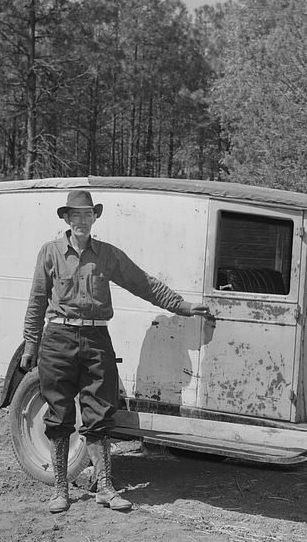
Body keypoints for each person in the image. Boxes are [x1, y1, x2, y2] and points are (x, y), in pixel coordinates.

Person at [20, 190, 211, 515]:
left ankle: (106, 488)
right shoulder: (50, 252)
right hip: (59, 339)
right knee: (59, 413)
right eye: (75, 216)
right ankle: (60, 490)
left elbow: (143, 282)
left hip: (96, 339)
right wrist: (30, 344)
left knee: (99, 412)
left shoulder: (106, 255)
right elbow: (38, 300)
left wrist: (182, 306)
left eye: (87, 215)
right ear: (67, 219)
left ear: (95, 218)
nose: (81, 221)